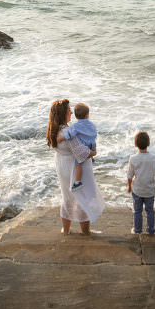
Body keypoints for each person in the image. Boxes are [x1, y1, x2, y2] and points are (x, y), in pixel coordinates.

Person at [46, 98, 105, 235]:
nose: (71, 112)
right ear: (63, 114)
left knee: (67, 197)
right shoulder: (68, 132)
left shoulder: (54, 129)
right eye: (68, 110)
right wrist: (94, 152)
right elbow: (82, 153)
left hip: (62, 165)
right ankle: (86, 231)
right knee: (82, 197)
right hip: (73, 167)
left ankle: (65, 230)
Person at [126, 131, 155, 234]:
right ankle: (150, 230)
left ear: (135, 144)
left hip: (137, 190)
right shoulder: (153, 158)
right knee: (150, 211)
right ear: (149, 143)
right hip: (149, 190)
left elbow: (129, 175)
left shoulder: (133, 158)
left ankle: (137, 230)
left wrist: (129, 186)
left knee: (137, 211)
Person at [57, 102, 97, 191]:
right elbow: (94, 133)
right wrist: (93, 150)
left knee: (78, 163)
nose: (71, 112)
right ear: (87, 115)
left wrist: (61, 138)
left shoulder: (74, 127)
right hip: (92, 144)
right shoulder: (91, 124)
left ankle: (77, 182)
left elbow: (70, 136)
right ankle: (92, 157)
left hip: (84, 147)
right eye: (69, 110)